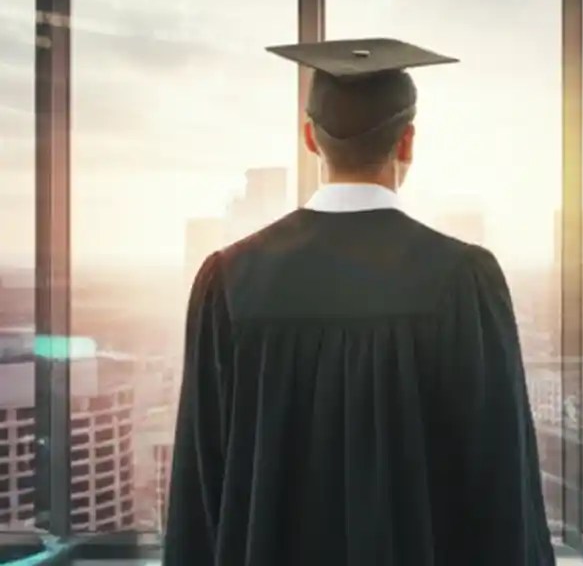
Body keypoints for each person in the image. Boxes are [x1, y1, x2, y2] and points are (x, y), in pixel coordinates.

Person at [163, 38, 555, 566]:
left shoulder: (229, 280)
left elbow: (200, 487)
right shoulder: (463, 279)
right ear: (408, 141)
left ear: (309, 138)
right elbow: (500, 489)